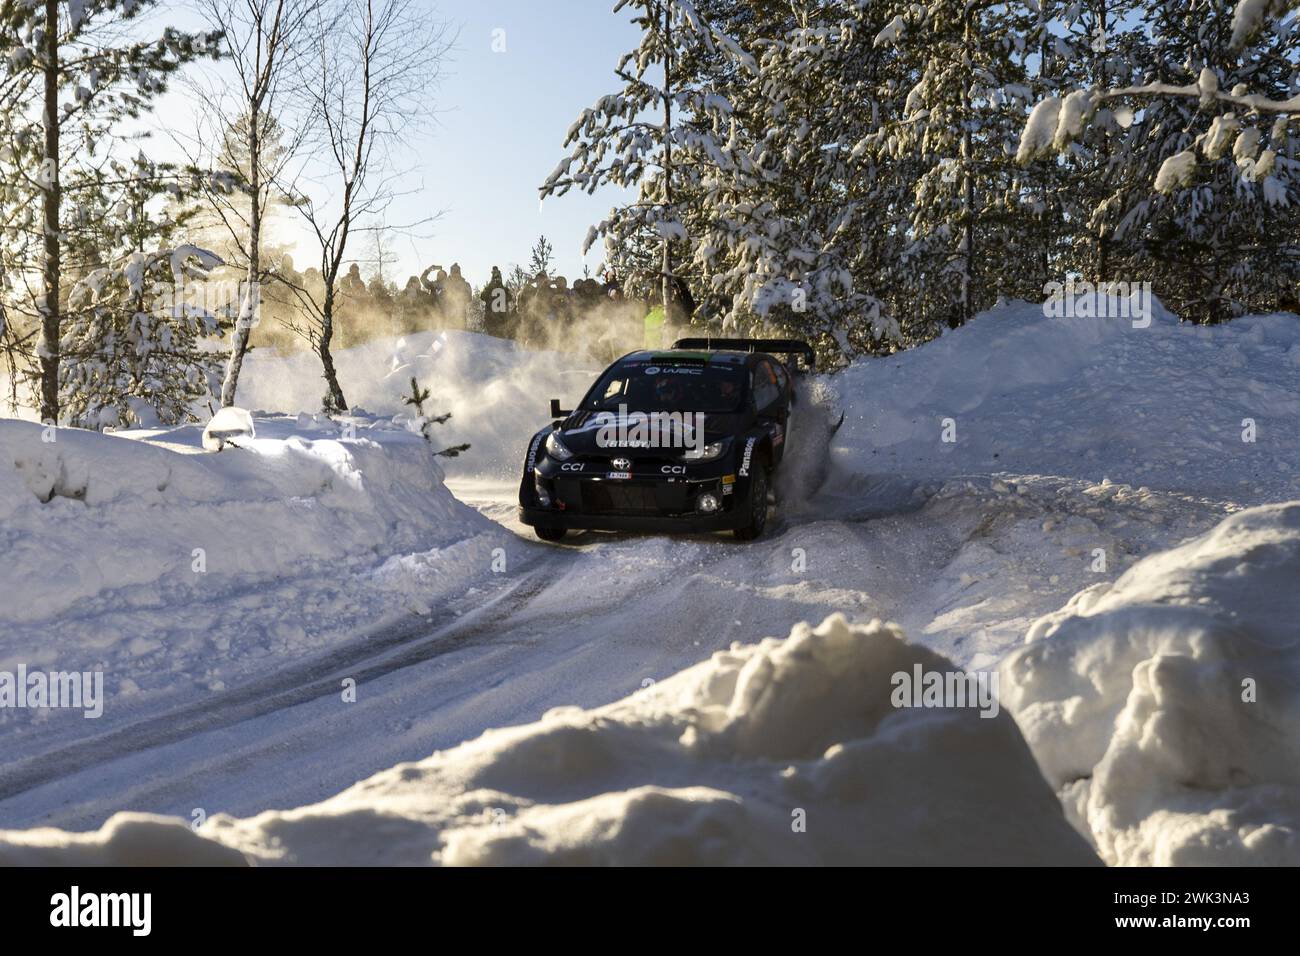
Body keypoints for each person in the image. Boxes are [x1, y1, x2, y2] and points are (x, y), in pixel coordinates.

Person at [480, 266, 512, 338]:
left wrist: (490, 285)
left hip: (492, 321)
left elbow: (482, 296)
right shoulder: (504, 290)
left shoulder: (489, 289)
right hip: (502, 321)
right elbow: (510, 298)